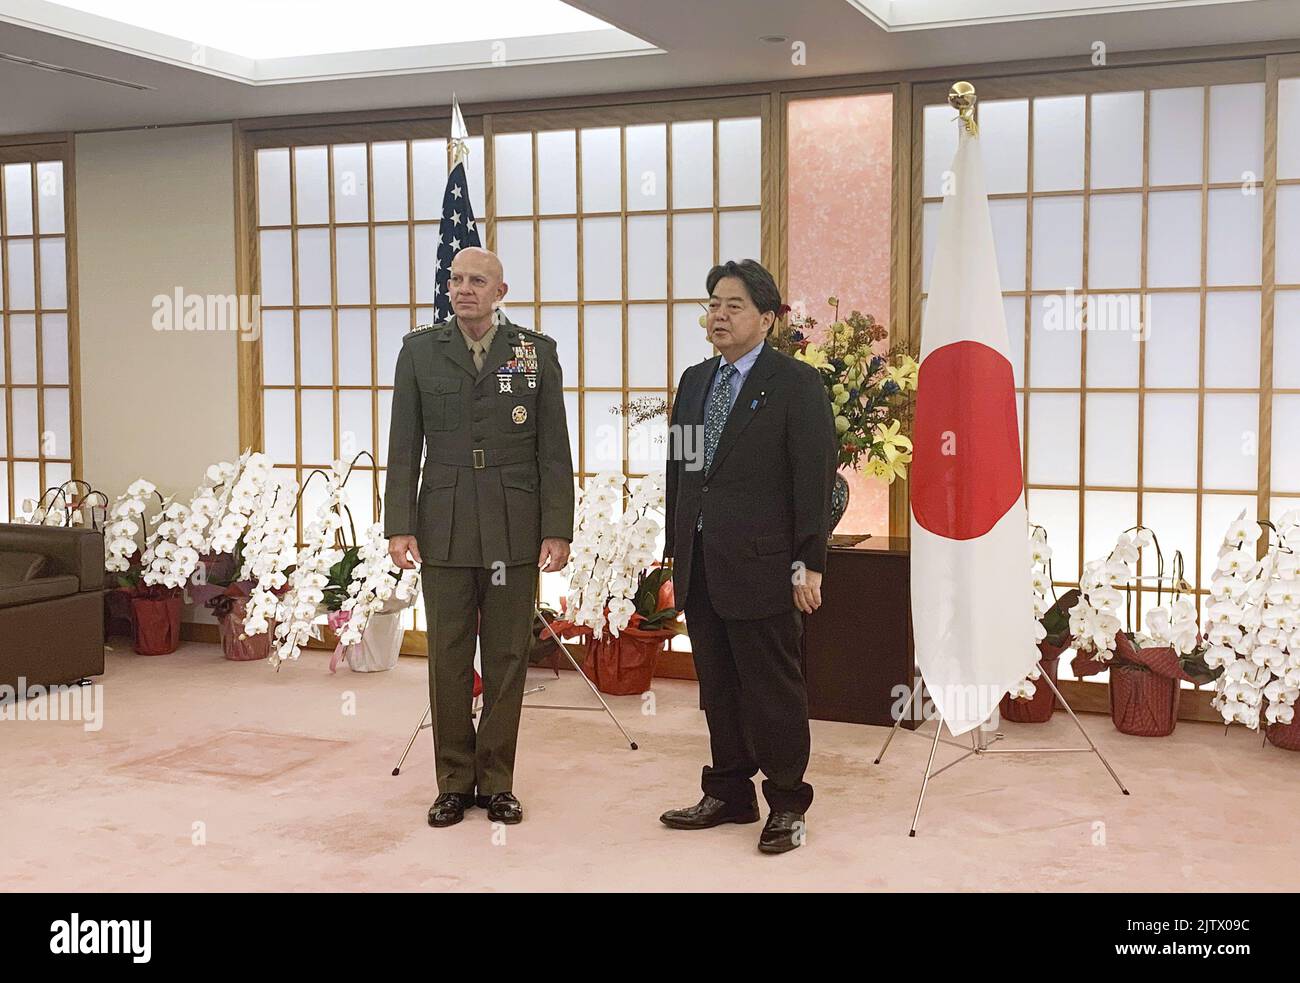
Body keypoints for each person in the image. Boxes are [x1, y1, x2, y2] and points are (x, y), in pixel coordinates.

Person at [385, 246, 573, 828]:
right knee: (446, 655)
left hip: (513, 523)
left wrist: (557, 528)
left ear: (501, 291)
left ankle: (496, 783)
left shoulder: (533, 353)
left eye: (477, 280)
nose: (463, 288)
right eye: (455, 279)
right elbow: (402, 447)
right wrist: (399, 525)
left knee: (508, 655)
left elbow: (553, 449)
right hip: (442, 521)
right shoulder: (420, 351)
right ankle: (451, 783)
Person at [661, 259, 837, 854]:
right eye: (713, 303)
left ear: (766, 318)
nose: (718, 314)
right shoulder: (693, 382)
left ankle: (786, 803)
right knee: (718, 686)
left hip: (765, 564)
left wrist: (808, 562)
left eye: (733, 305)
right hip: (702, 561)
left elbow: (812, 480)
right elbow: (681, 473)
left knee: (772, 689)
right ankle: (729, 791)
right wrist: (673, 551)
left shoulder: (796, 385)